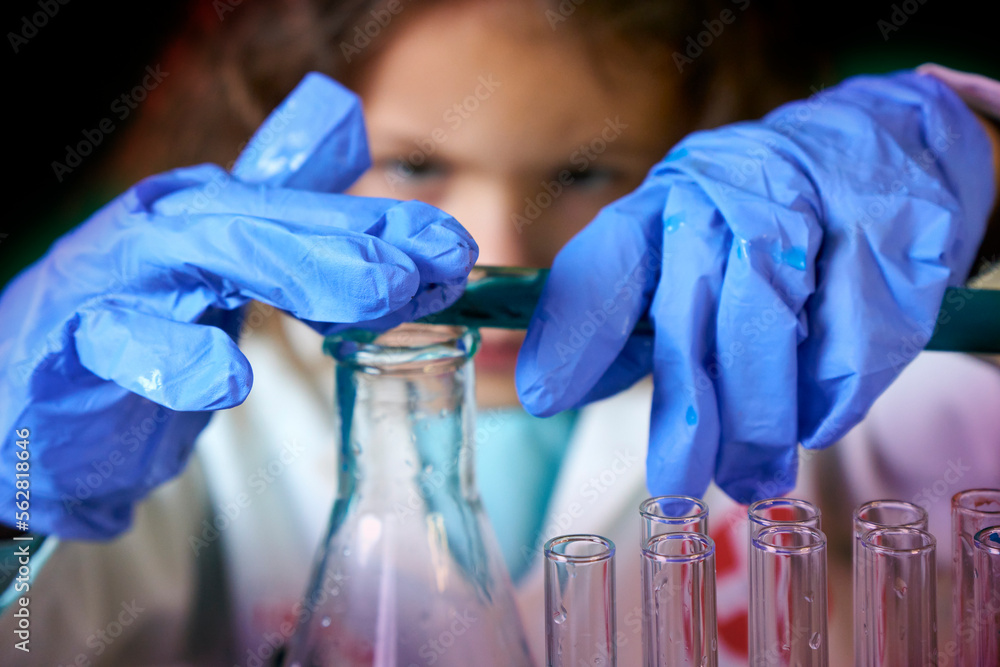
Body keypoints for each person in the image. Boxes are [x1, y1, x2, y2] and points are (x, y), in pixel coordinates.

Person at [1, 1, 999, 665]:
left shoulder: (840, 381)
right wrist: (14, 498)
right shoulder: (185, 413)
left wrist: (983, 173)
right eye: (417, 167)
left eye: (585, 174)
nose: (492, 243)